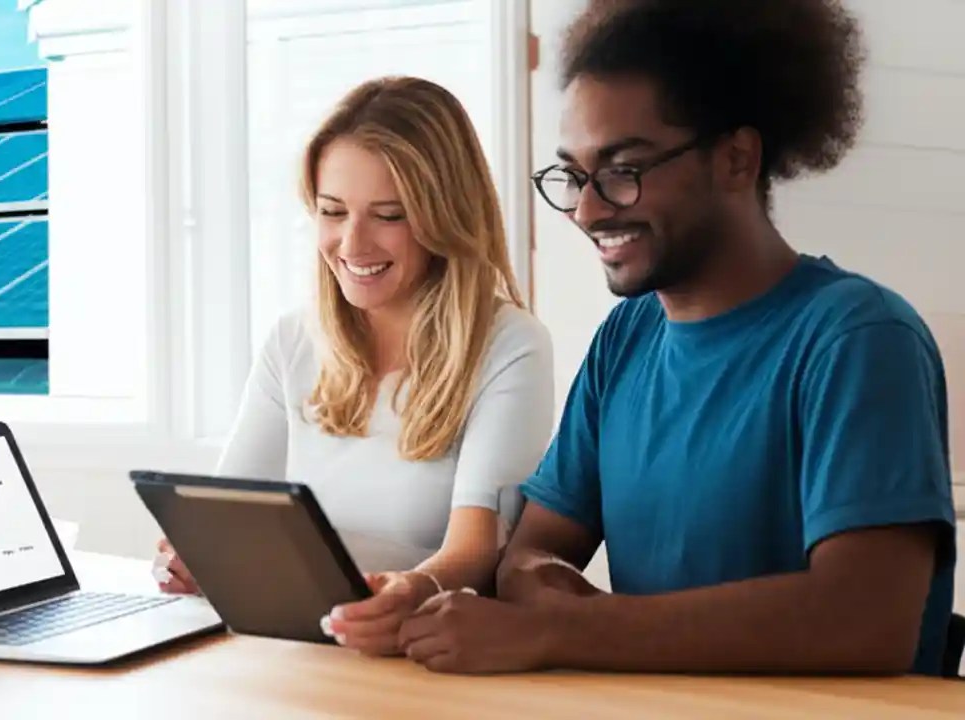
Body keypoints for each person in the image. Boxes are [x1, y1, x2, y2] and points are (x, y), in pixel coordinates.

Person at [396, 0, 957, 676]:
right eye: (573, 175)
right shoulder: (626, 339)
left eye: (623, 171)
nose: (586, 208)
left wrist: (570, 629)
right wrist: (536, 590)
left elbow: (865, 622)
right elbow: (530, 552)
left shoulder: (858, 339)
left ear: (736, 159)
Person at [152, 76, 553, 656]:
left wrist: (413, 588)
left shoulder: (510, 345)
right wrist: (203, 559)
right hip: (299, 655)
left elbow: (478, 547)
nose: (352, 243)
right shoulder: (293, 340)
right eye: (332, 211)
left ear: (445, 216)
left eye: (389, 215)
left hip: (424, 664)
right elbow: (233, 512)